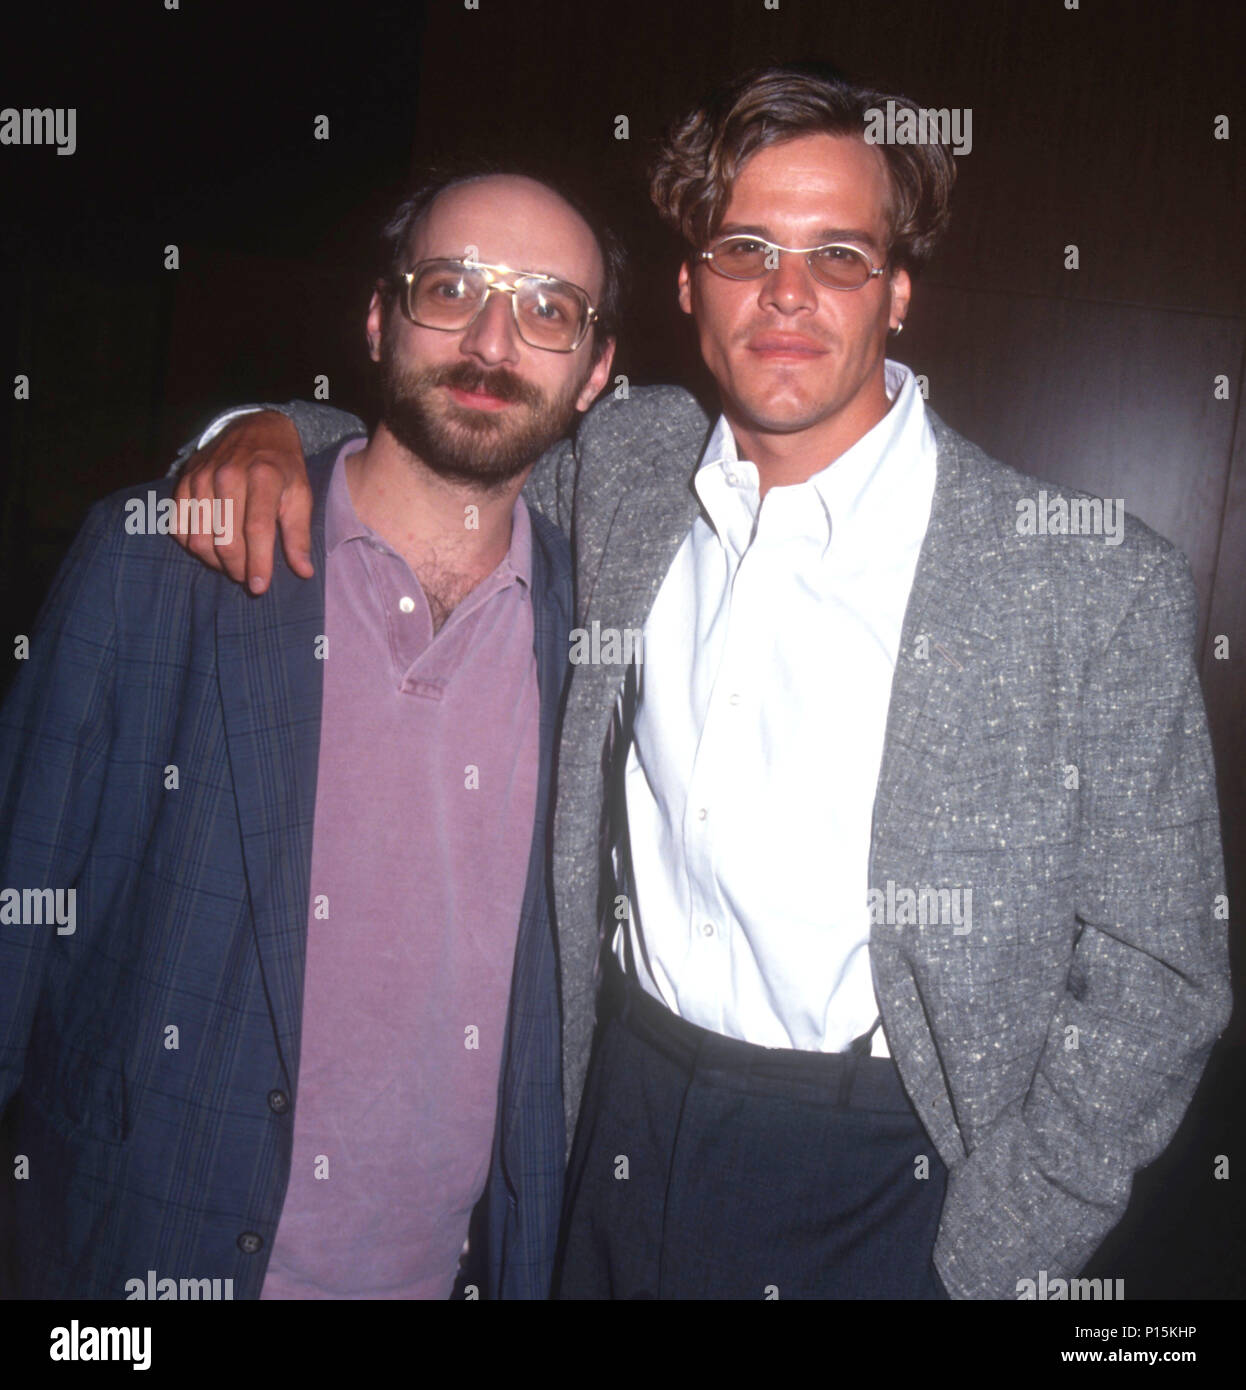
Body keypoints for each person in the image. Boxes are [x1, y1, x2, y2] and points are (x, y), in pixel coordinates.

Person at [169, 66, 1231, 1300]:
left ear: (897, 292)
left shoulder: (1090, 583)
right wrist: (255, 431)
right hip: (610, 1114)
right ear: (689, 286)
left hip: (894, 1174)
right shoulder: (627, 466)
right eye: (744, 249)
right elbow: (448, 443)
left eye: (837, 255)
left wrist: (993, 1258)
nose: (787, 295)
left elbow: (1164, 979)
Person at [0, 168, 618, 1299]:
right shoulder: (158, 562)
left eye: (546, 308)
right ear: (380, 318)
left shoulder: (602, 640)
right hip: (135, 1259)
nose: (492, 338)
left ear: (596, 371)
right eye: (450, 287)